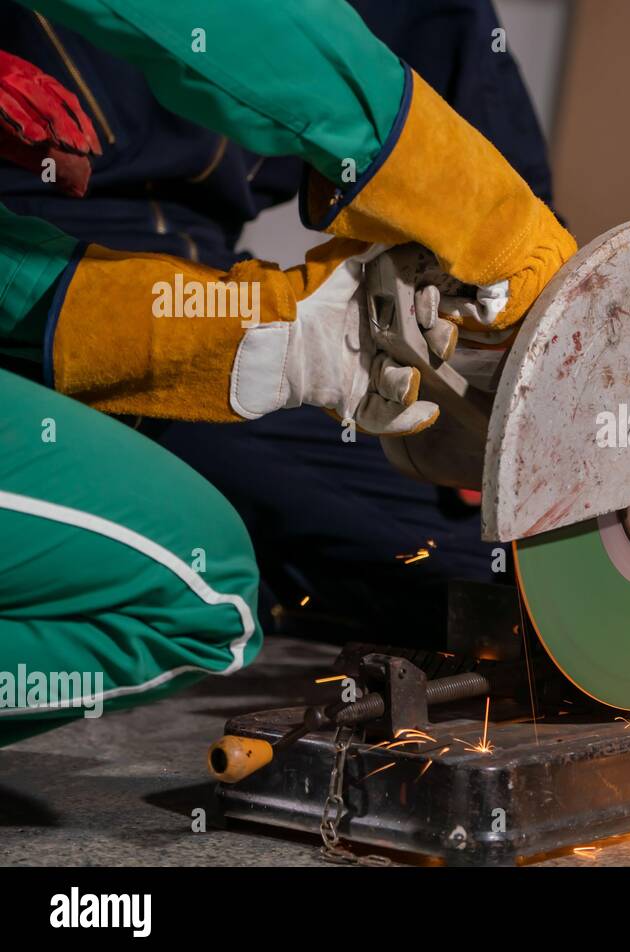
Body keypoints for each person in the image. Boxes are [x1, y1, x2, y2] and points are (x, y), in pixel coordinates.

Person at [0, 0, 575, 745]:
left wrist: (516, 345)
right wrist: (488, 221)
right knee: (214, 586)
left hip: (164, 280)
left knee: (491, 560)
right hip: (54, 262)